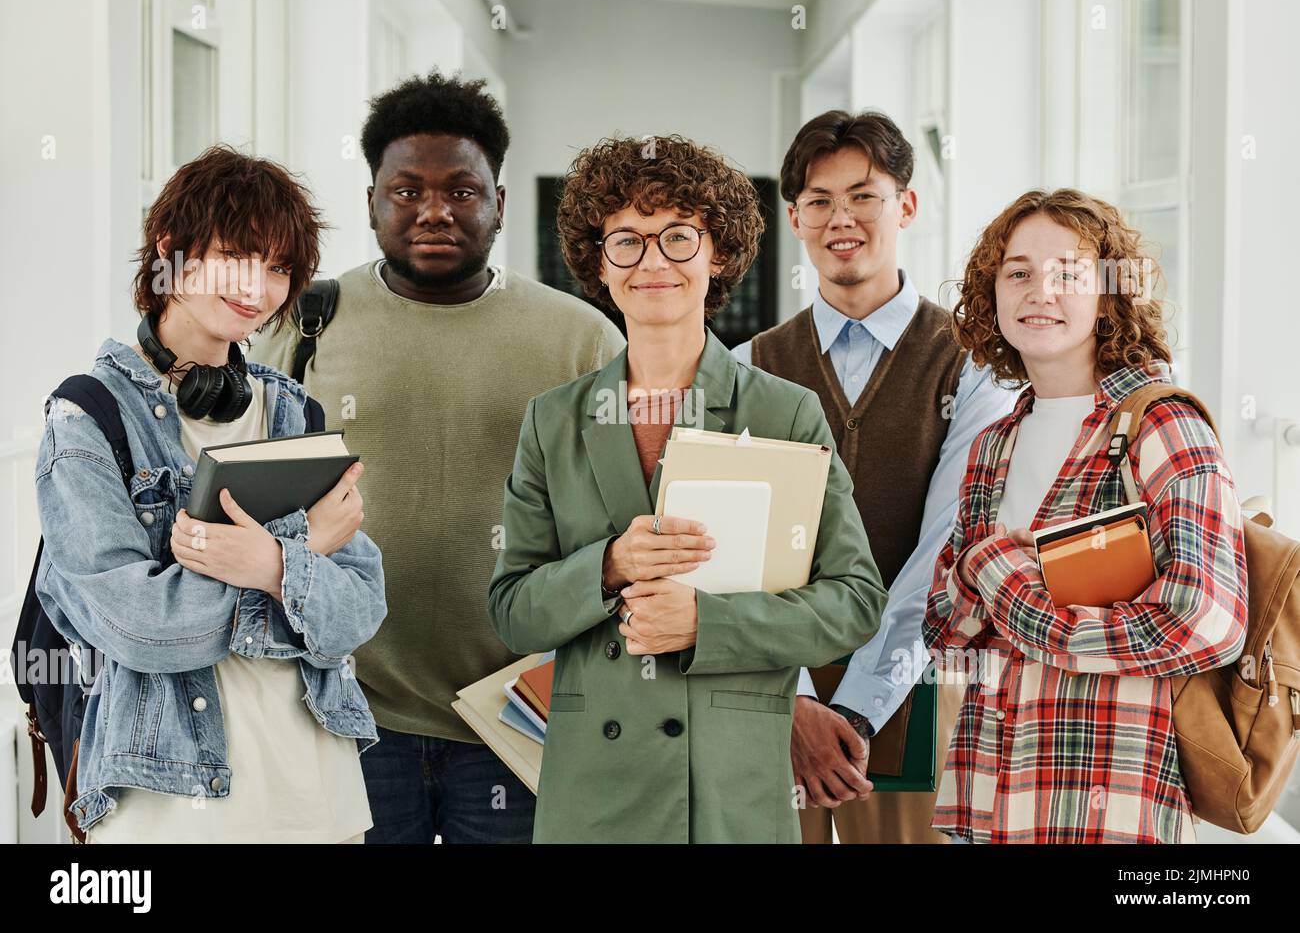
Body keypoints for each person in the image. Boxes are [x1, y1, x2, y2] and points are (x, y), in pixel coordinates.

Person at [250, 71, 624, 844]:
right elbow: (248, 494)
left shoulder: (580, 339)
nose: (433, 211)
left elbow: (626, 520)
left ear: (499, 203)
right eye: (406, 190)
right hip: (350, 708)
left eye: (461, 190)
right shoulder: (307, 323)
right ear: (371, 203)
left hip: (517, 713)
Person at [487, 134, 887, 843]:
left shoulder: (784, 411)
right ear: (598, 263)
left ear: (719, 253)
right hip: (596, 795)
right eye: (626, 242)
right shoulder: (553, 420)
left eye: (678, 237)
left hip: (729, 789)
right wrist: (609, 565)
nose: (652, 263)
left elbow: (854, 601)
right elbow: (514, 611)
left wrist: (708, 624)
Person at [35, 145, 387, 843]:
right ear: (170, 250)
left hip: (322, 800)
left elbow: (360, 610)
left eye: (279, 267)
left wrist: (274, 563)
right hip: (170, 810)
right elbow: (143, 628)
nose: (259, 287)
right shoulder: (88, 418)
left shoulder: (294, 414)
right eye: (237, 256)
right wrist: (301, 555)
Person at [924, 188, 1249, 843]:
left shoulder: (1162, 424)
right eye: (1017, 272)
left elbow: (1208, 622)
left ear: (1108, 296)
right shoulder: (994, 444)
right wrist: (983, 579)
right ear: (993, 294)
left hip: (1105, 809)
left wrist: (1009, 590)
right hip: (988, 802)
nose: (1039, 292)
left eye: (1068, 273)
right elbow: (945, 632)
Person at [733, 109, 1016, 843]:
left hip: (914, 684)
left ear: (907, 205)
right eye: (819, 201)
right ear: (794, 218)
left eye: (864, 196)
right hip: (773, 687)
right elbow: (737, 557)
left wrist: (857, 707)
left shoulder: (974, 366)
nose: (842, 219)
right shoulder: (748, 366)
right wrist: (794, 700)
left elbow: (947, 550)